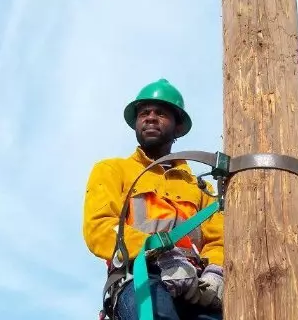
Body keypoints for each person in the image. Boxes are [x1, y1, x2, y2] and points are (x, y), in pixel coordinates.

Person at [83, 78, 224, 320]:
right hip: (141, 278)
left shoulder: (200, 189)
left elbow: (219, 239)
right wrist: (161, 254)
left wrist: (215, 271)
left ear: (178, 127)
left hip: (194, 286)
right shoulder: (112, 170)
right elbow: (100, 228)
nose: (150, 117)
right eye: (144, 113)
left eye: (160, 113)